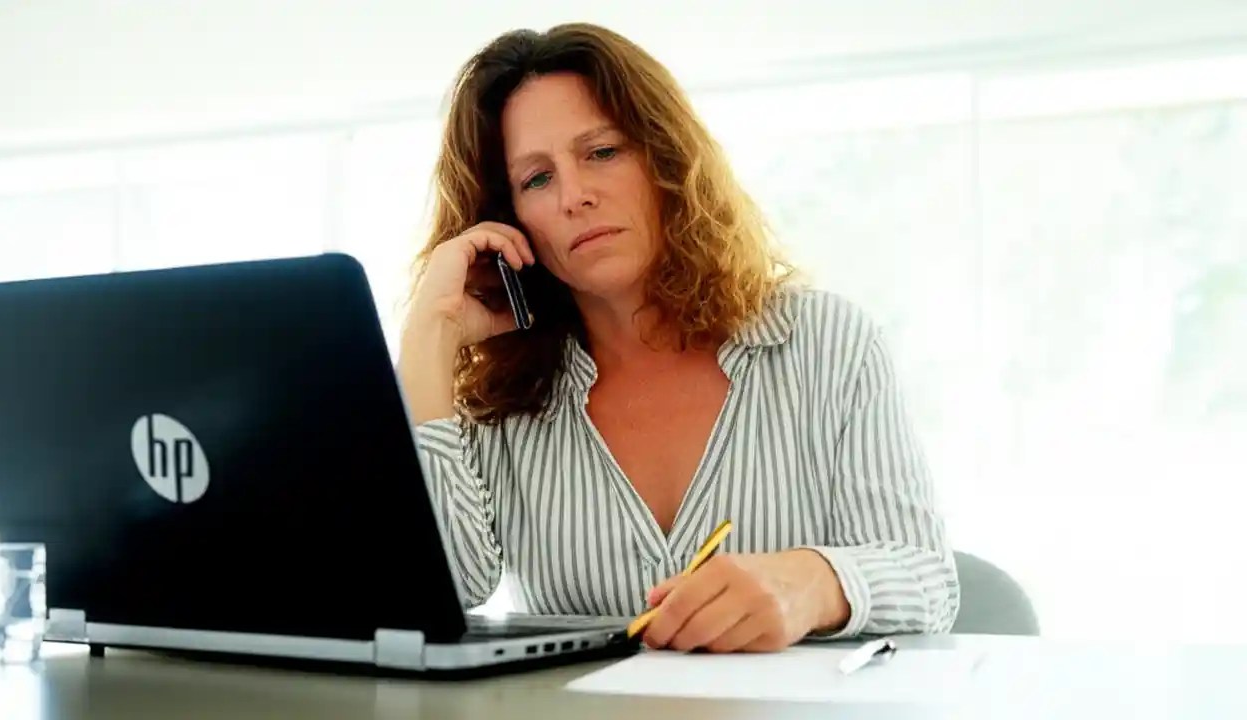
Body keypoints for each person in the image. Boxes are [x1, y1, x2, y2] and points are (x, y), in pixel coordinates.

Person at [398, 22, 959, 653]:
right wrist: (428, 340)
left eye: (602, 152)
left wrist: (809, 583)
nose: (575, 196)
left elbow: (929, 582)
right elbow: (447, 591)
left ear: (663, 157)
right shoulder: (500, 401)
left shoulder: (826, 342)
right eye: (536, 179)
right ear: (508, 218)